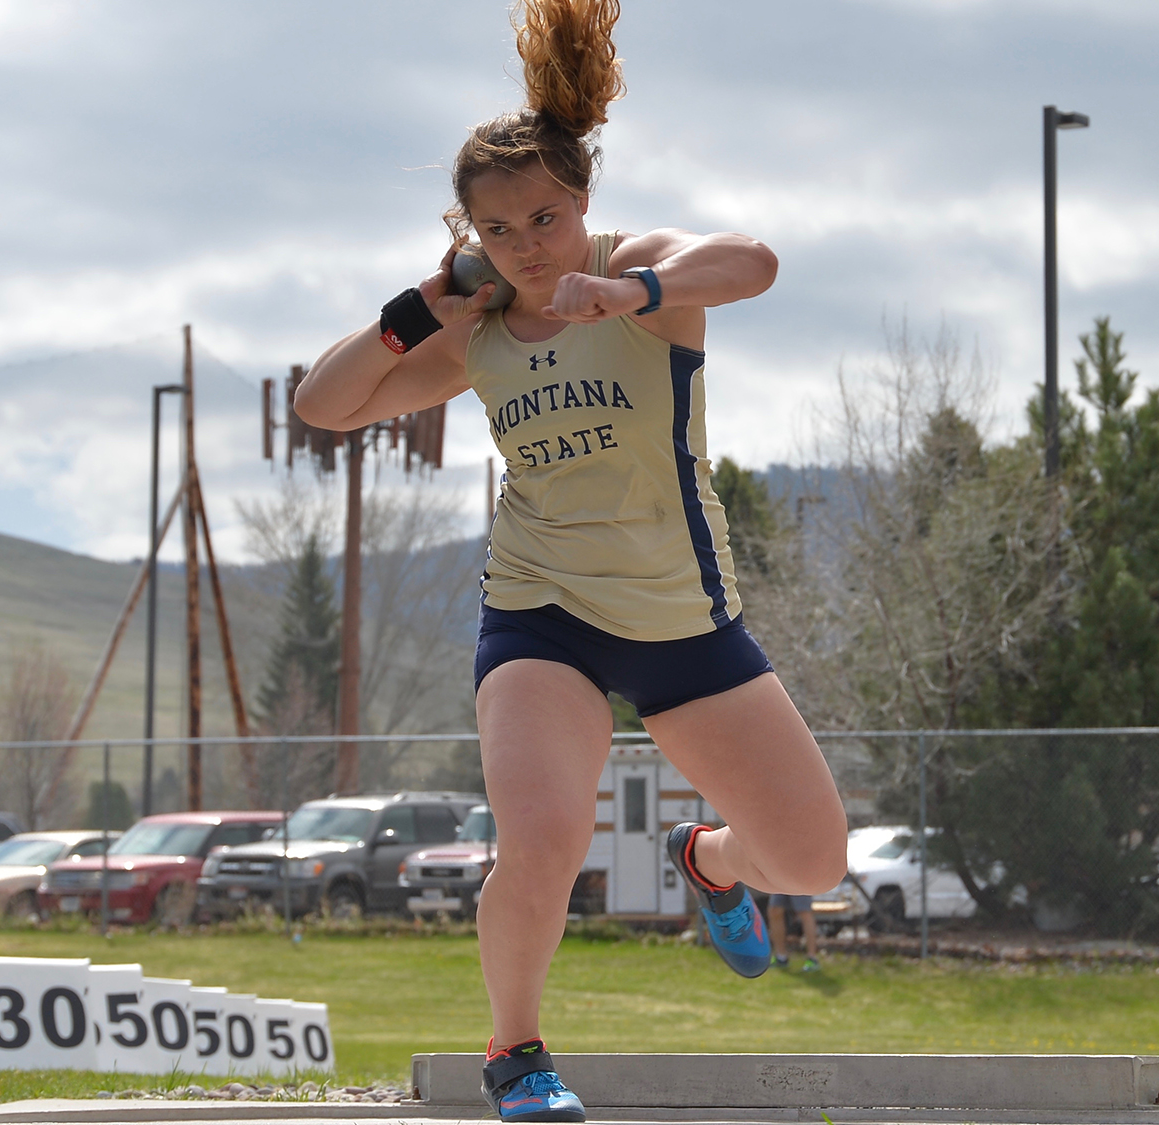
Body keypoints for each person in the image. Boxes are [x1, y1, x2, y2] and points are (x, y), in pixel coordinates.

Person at [295, 2, 847, 1119]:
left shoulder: (638, 274)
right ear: (469, 234)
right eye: (498, 231)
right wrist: (419, 309)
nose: (527, 245)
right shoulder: (482, 327)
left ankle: (713, 861)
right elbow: (326, 403)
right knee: (542, 831)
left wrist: (629, 292)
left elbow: (754, 261)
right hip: (539, 614)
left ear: (580, 203)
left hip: (682, 618)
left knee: (811, 863)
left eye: (544, 218)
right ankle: (517, 1055)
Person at [768, 893, 821, 972]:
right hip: (781, 881)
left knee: (804, 912)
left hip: (800, 881)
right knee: (774, 910)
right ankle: (781, 957)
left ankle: (812, 959)